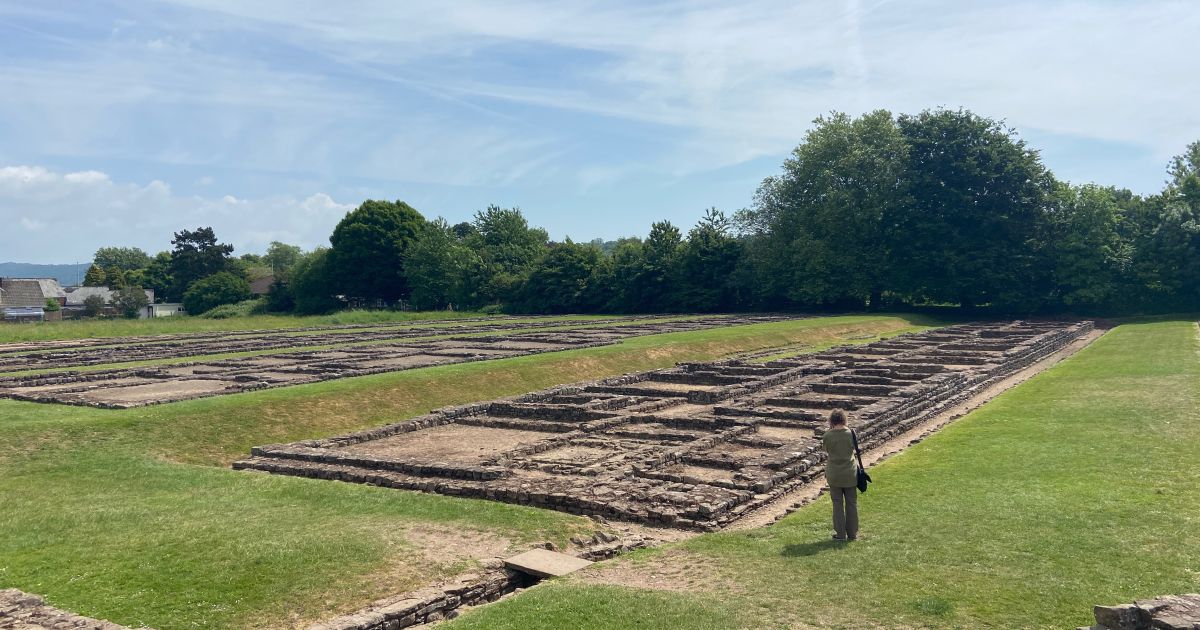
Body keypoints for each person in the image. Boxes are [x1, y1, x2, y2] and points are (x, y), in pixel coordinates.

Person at [821, 409, 859, 541]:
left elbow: (826, 450)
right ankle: (852, 533)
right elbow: (853, 448)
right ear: (844, 419)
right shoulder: (851, 433)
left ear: (831, 420)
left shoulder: (827, 435)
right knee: (851, 503)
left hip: (834, 473)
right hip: (850, 472)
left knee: (837, 504)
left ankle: (840, 534)